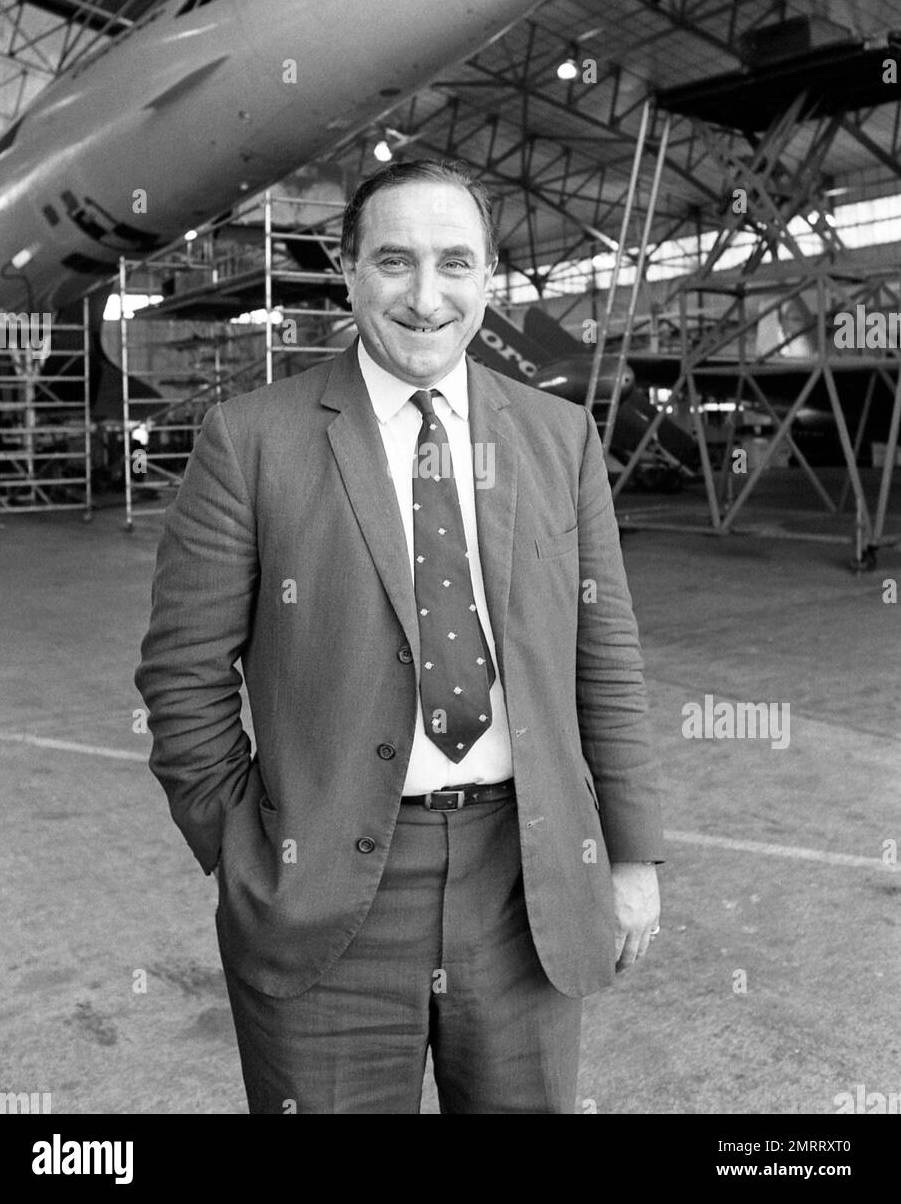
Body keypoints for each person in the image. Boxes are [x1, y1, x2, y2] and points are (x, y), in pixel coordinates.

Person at [135, 158, 662, 1115]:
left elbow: (605, 657)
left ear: (488, 278)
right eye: (394, 261)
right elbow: (182, 674)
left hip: (524, 887)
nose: (427, 297)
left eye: (454, 262)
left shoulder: (558, 437)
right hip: (325, 893)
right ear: (347, 271)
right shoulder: (251, 440)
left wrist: (628, 857)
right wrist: (245, 847)